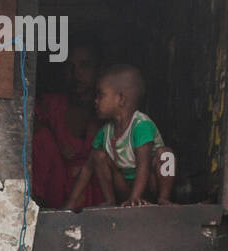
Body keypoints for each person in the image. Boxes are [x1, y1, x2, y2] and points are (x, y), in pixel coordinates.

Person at [65, 64, 175, 210]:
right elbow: (87, 169)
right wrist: (70, 203)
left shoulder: (141, 125)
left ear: (121, 99)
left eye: (101, 95)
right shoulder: (106, 131)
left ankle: (163, 198)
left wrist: (135, 197)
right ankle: (110, 201)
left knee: (166, 154)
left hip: (149, 183)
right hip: (125, 189)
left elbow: (143, 166)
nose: (95, 101)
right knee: (98, 156)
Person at [31, 41, 103, 211]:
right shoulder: (52, 105)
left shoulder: (108, 112)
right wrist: (54, 143)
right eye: (70, 67)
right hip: (55, 196)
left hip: (96, 203)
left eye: (84, 66)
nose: (76, 74)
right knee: (42, 139)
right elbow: (24, 124)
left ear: (98, 69)